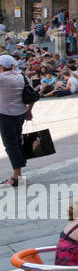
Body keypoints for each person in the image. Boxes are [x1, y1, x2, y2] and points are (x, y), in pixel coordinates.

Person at [0, 55, 28, 185]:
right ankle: (19, 173)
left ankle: (16, 176)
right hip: (20, 113)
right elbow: (32, 94)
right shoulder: (21, 76)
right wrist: (29, 110)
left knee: (10, 145)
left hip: (6, 115)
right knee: (17, 142)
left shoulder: (2, 78)